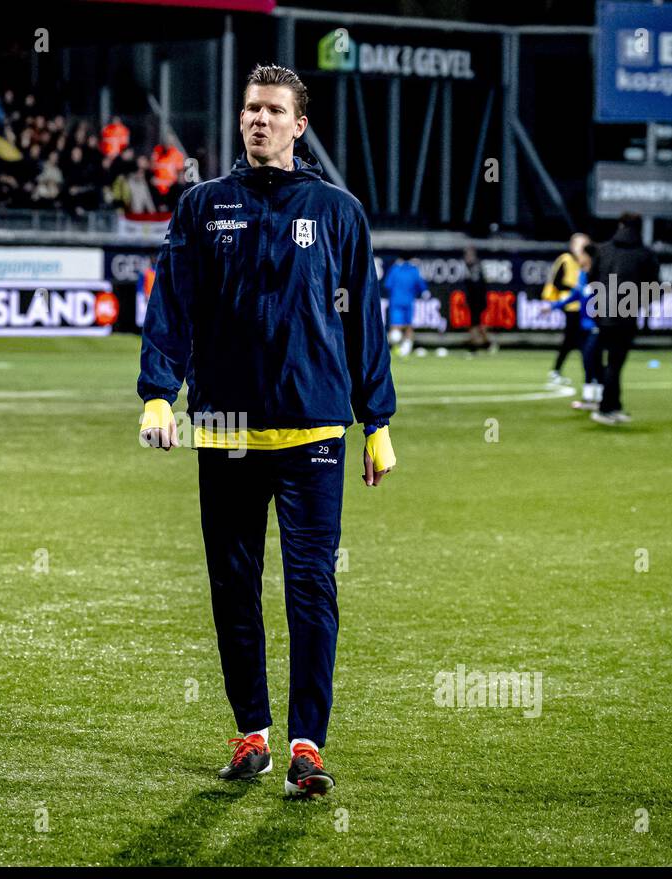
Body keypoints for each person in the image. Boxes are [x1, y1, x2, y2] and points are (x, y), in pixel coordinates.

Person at [138, 64, 397, 798]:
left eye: (274, 110)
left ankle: (307, 747)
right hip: (223, 430)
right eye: (251, 108)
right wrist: (159, 394)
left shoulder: (339, 211)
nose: (259, 119)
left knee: (312, 589)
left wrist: (376, 420)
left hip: (314, 429)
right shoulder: (200, 207)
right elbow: (173, 309)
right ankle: (251, 731)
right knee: (233, 586)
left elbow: (362, 324)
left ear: (298, 124)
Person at [587, 212, 658, 425]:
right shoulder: (644, 254)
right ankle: (606, 408)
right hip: (626, 315)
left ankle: (613, 405)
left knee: (606, 360)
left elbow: (591, 279)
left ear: (620, 225)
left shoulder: (604, 250)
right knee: (616, 363)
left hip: (602, 313)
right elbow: (653, 287)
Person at [540, 243, 601, 409]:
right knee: (589, 360)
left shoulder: (601, 275)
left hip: (598, 324)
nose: (578, 258)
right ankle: (592, 399)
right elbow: (574, 296)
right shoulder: (582, 275)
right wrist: (552, 306)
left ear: (588, 257)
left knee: (593, 359)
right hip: (585, 324)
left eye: (582, 255)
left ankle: (599, 399)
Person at [542, 232, 589, 385]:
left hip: (583, 307)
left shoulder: (586, 263)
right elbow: (556, 282)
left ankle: (558, 371)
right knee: (578, 341)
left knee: (575, 341)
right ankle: (590, 377)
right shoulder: (566, 260)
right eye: (579, 245)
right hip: (570, 306)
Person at [383, 257, 430, 357]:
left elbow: (388, 285)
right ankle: (406, 349)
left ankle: (396, 348)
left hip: (396, 301)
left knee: (395, 327)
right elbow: (421, 286)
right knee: (409, 326)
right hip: (408, 302)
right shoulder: (414, 270)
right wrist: (423, 292)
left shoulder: (395, 269)